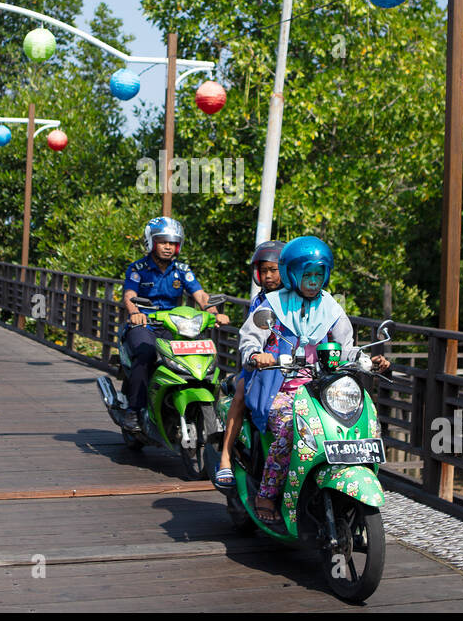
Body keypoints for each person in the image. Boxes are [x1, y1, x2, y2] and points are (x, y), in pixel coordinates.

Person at [236, 236, 389, 525]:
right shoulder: (273, 304)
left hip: (323, 388)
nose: (313, 280)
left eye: (319, 274)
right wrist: (256, 354)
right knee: (289, 429)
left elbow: (346, 347)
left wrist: (368, 361)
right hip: (282, 387)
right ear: (293, 274)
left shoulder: (331, 307)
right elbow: (250, 337)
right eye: (307, 274)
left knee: (359, 426)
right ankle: (267, 493)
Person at [119, 216, 230, 430]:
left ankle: (203, 406)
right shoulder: (137, 268)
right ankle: (134, 411)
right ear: (151, 242)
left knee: (200, 354)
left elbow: (200, 295)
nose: (168, 247)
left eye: (172, 243)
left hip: (176, 326)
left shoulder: (182, 269)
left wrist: (214, 313)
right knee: (146, 354)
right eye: (163, 242)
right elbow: (129, 294)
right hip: (145, 325)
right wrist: (135, 313)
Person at [213, 240, 285, 489]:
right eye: (263, 271)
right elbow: (251, 337)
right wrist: (257, 355)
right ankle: (225, 456)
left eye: (273, 270)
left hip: (292, 369)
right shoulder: (260, 302)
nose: (267, 276)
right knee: (242, 392)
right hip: (262, 368)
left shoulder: (300, 300)